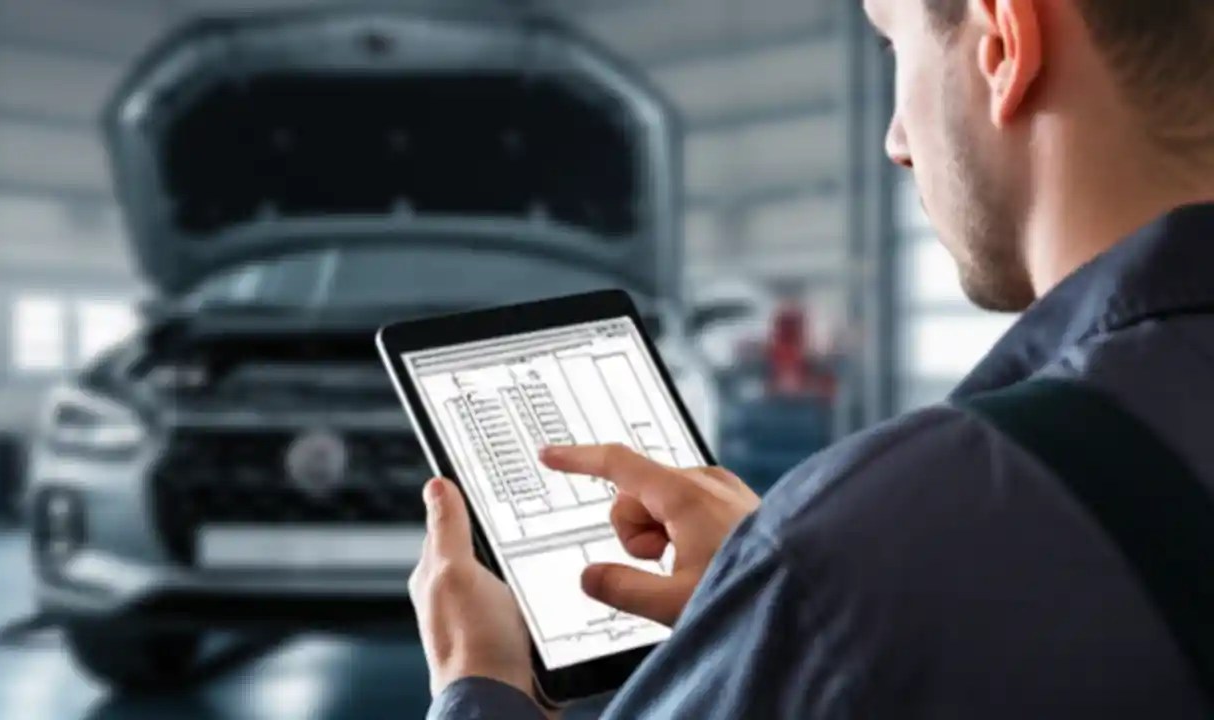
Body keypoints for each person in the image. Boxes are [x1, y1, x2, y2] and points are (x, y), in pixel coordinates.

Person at [409, 0, 1214, 716]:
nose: (897, 141)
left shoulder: (876, 552)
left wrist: (480, 685)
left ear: (1004, 44)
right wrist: (762, 593)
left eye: (893, 44)